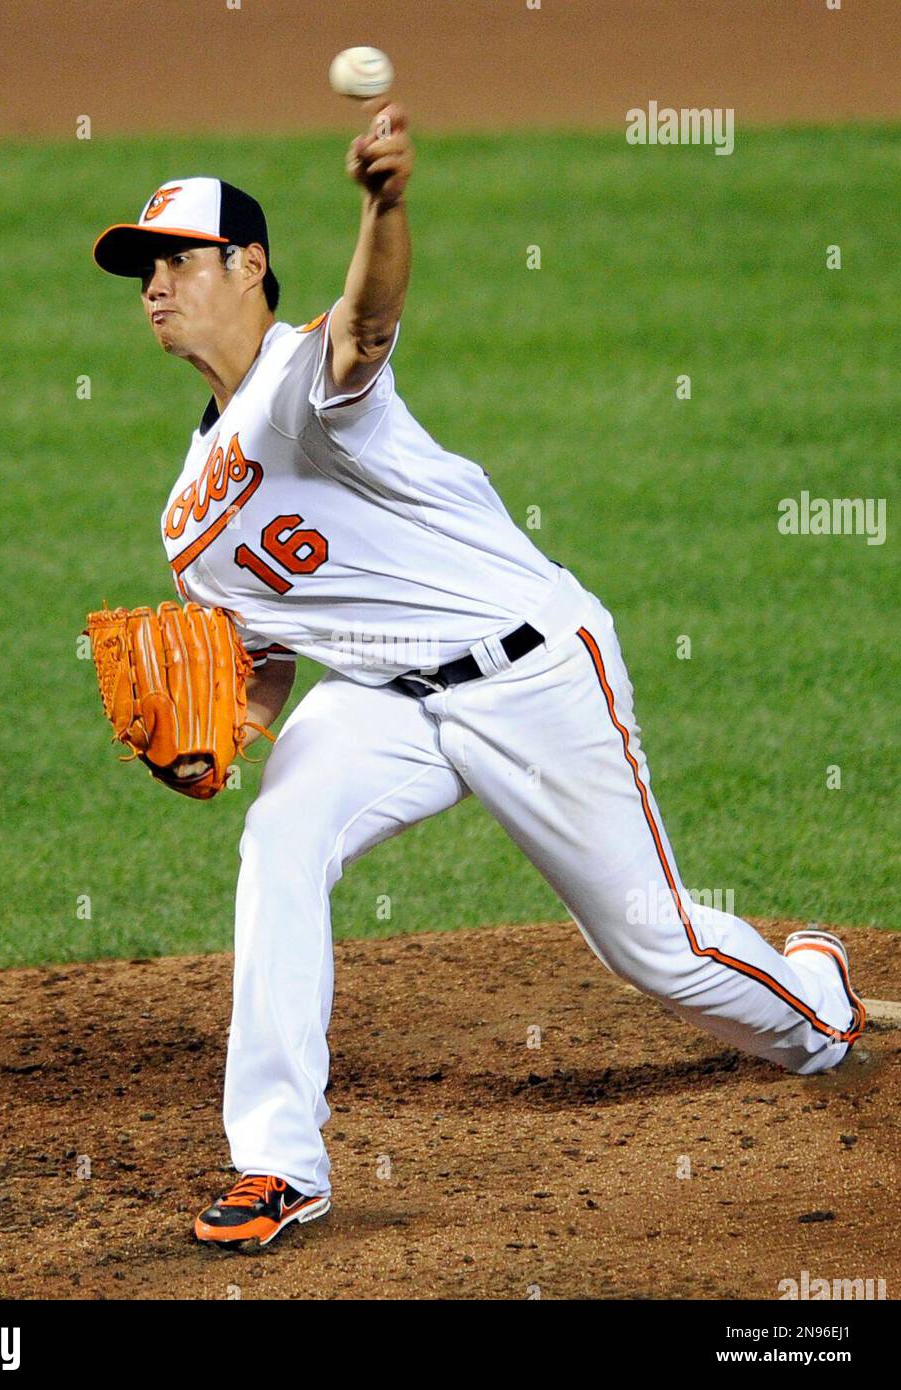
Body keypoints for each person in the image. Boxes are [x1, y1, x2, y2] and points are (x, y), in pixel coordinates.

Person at [92, 100, 865, 1249]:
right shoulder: (183, 516)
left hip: (533, 670)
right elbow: (262, 667)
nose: (154, 283)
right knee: (279, 839)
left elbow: (368, 319)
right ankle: (278, 1163)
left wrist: (386, 204)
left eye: (178, 258)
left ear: (249, 264)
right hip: (383, 708)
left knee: (653, 945)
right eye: (141, 267)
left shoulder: (307, 378)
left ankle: (818, 1004)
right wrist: (216, 738)